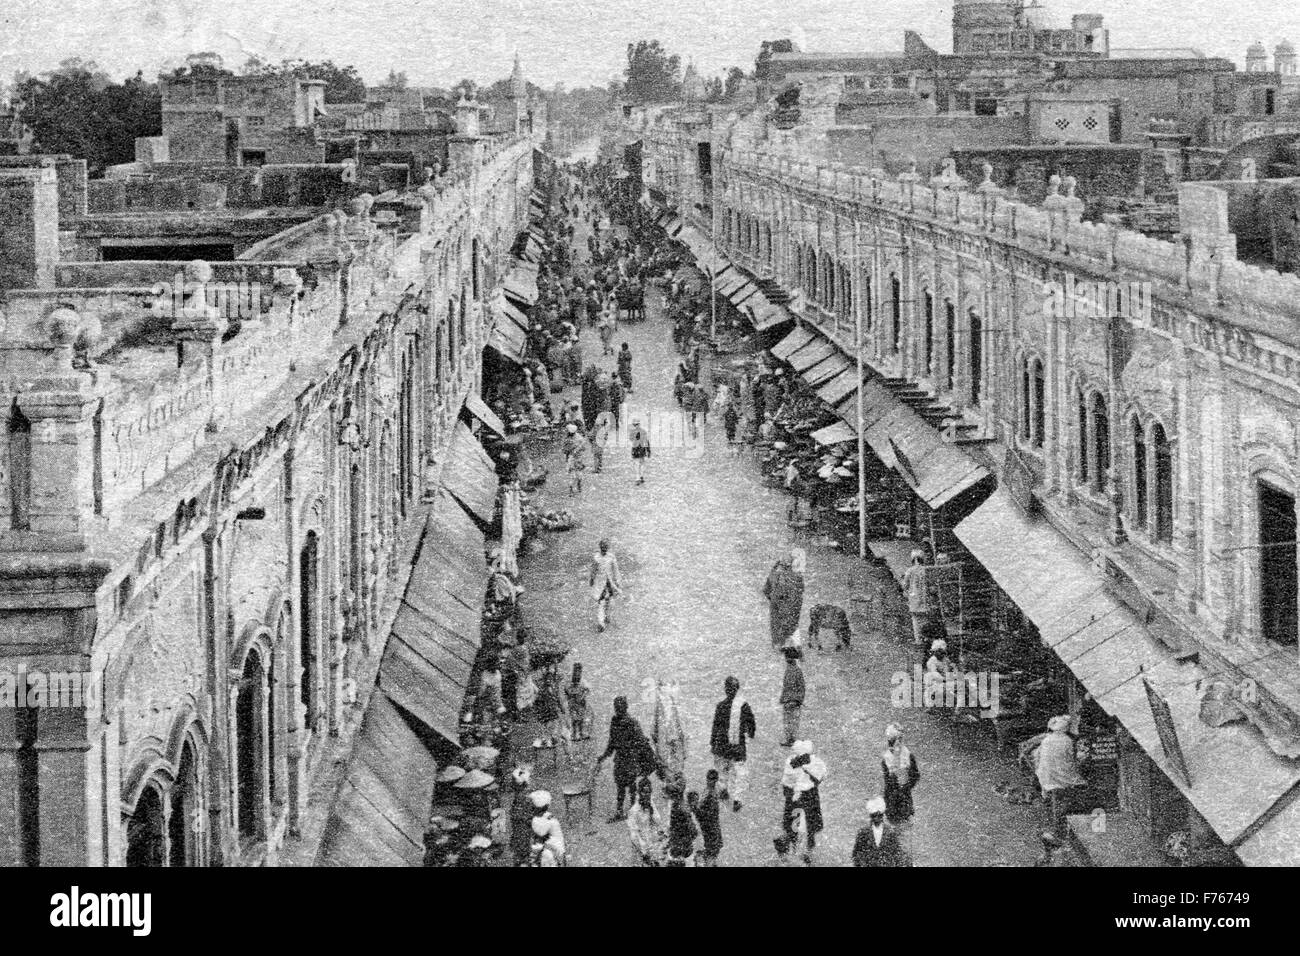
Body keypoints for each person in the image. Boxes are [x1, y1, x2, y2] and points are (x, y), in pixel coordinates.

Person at [595, 696, 650, 822]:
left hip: (631, 759)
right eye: (616, 708)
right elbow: (612, 741)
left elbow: (641, 741)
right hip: (620, 759)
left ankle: (632, 811)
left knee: (631, 787)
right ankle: (619, 812)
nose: (618, 710)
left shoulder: (632, 722)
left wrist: (640, 758)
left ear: (625, 708)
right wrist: (604, 756)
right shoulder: (615, 721)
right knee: (620, 787)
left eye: (620, 708)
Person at [709, 676, 756, 812]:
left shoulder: (721, 706)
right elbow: (751, 722)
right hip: (736, 746)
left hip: (723, 744)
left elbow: (716, 726)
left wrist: (713, 742)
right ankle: (737, 798)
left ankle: (723, 790)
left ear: (725, 689)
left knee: (723, 768)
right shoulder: (743, 706)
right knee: (738, 771)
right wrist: (751, 733)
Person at [1036, 714, 1085, 836]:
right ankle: (1059, 828)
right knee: (1062, 797)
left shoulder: (1046, 740)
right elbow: (1071, 759)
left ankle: (1054, 825)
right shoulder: (1067, 740)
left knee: (1055, 798)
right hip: (1061, 773)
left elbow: (1039, 757)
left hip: (1047, 774)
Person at [779, 740, 827, 861]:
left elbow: (820, 777)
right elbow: (786, 781)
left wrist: (807, 769)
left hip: (810, 796)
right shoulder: (791, 763)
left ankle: (808, 851)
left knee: (811, 825)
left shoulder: (816, 763)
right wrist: (791, 795)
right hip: (796, 797)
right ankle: (793, 847)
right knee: (795, 825)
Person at [763, 550, 805, 650]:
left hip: (776, 601)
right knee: (791, 623)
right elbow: (801, 590)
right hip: (791, 603)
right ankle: (790, 643)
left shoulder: (774, 573)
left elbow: (766, 589)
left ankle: (778, 643)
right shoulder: (797, 576)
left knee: (776, 623)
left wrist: (772, 598)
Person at [881, 723, 921, 827]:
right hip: (894, 800)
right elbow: (888, 781)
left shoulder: (907, 756)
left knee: (902, 826)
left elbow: (915, 775)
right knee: (895, 825)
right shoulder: (887, 758)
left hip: (901, 799)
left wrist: (905, 787)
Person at [853, 796, 907, 867]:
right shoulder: (863, 833)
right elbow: (857, 853)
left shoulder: (891, 833)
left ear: (882, 815)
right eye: (874, 816)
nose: (876, 818)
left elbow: (896, 853)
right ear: (871, 816)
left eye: (879, 815)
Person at [902, 550, 933, 664]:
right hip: (925, 600)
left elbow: (904, 585)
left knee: (915, 620)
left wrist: (908, 589)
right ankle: (925, 639)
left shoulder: (909, 571)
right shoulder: (926, 570)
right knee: (925, 620)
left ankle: (918, 640)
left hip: (914, 599)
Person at [627, 778, 666, 865]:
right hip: (641, 850)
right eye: (644, 792)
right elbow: (634, 835)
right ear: (639, 792)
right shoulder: (634, 811)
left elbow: (658, 821)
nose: (647, 795)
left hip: (652, 846)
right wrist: (644, 852)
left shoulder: (651, 804)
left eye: (648, 792)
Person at [589, 538, 623, 632]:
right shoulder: (596, 558)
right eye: (603, 547)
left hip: (609, 583)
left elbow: (616, 571)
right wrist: (592, 579)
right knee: (602, 602)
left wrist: (618, 582)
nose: (604, 548)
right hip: (601, 584)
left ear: (607, 548)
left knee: (608, 600)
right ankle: (601, 622)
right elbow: (593, 570)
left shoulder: (611, 557)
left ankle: (606, 616)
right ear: (600, 547)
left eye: (605, 547)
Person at [533, 666, 569, 753]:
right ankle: (547, 739)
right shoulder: (542, 690)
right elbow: (538, 700)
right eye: (547, 679)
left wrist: (561, 708)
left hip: (552, 711)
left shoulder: (553, 689)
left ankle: (552, 739)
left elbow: (557, 698)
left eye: (550, 679)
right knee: (547, 726)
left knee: (553, 725)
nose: (549, 681)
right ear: (545, 680)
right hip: (546, 711)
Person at [664, 780, 698, 866]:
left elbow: (692, 831)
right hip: (683, 847)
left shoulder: (677, 808)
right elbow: (693, 832)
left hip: (679, 848)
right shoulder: (682, 806)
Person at [528, 790, 566, 867]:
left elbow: (540, 833)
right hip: (554, 849)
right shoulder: (548, 817)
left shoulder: (547, 819)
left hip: (552, 849)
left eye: (533, 807)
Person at [779, 645, 806, 747]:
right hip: (793, 700)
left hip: (790, 701)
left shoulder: (792, 670)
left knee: (789, 721)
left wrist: (791, 699)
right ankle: (791, 739)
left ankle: (791, 739)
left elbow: (789, 687)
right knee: (792, 721)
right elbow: (801, 687)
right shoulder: (796, 670)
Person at [509, 766, 536, 866]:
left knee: (521, 856)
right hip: (522, 831)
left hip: (522, 831)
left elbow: (521, 816)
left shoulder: (522, 797)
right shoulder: (525, 795)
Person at [564, 662, 593, 741]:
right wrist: (571, 694)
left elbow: (587, 689)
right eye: (576, 670)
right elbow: (567, 689)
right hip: (574, 701)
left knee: (580, 718)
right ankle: (574, 733)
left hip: (579, 702)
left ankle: (579, 733)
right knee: (574, 718)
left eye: (579, 670)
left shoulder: (581, 680)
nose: (577, 672)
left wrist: (582, 695)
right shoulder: (571, 679)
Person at [562, 422, 588, 495]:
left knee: (572, 475)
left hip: (571, 459)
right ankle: (578, 485)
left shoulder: (567, 439)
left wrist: (570, 451)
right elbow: (584, 448)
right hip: (578, 459)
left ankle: (571, 489)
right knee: (578, 473)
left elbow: (564, 450)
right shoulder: (580, 438)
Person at [629, 417, 651, 485]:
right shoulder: (643, 431)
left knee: (637, 464)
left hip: (636, 449)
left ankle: (638, 477)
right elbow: (646, 441)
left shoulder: (632, 432)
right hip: (641, 449)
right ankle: (641, 476)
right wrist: (648, 450)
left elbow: (631, 439)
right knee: (641, 463)